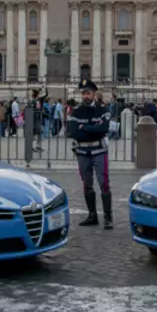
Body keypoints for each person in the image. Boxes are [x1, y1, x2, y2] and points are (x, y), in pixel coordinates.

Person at [67, 77, 112, 229]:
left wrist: (83, 128)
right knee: (87, 183)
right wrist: (92, 129)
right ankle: (92, 215)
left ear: (94, 93)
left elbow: (103, 129)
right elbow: (73, 132)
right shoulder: (76, 111)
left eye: (88, 93)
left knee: (103, 183)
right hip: (82, 151)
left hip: (99, 151)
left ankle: (107, 217)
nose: (86, 96)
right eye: (83, 93)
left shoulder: (102, 109)